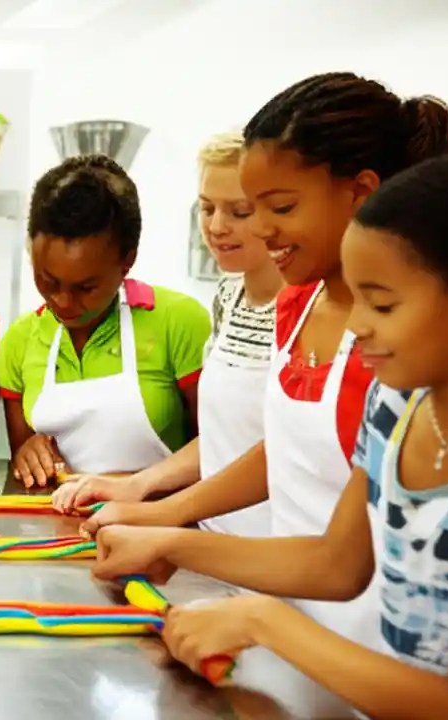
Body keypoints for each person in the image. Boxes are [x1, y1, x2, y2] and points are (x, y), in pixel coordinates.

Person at [89, 72, 448, 669]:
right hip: (294, 634)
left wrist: (176, 530)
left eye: (278, 207)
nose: (258, 229)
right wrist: (170, 523)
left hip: (358, 650)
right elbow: (290, 463)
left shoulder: (405, 364)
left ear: (360, 193)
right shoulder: (304, 306)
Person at [53, 132, 283, 537]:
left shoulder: (309, 307)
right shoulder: (230, 296)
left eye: (239, 212)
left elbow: (282, 449)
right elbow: (222, 440)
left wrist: (166, 512)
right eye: (207, 208)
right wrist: (137, 485)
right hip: (215, 537)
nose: (216, 226)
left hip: (278, 539)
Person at [0, 155, 212, 488]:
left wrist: (136, 486)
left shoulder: (178, 322)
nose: (63, 302)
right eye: (47, 281)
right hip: (56, 529)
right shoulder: (20, 339)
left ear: (127, 261)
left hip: (161, 528)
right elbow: (24, 463)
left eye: (86, 287)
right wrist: (27, 452)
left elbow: (218, 454)